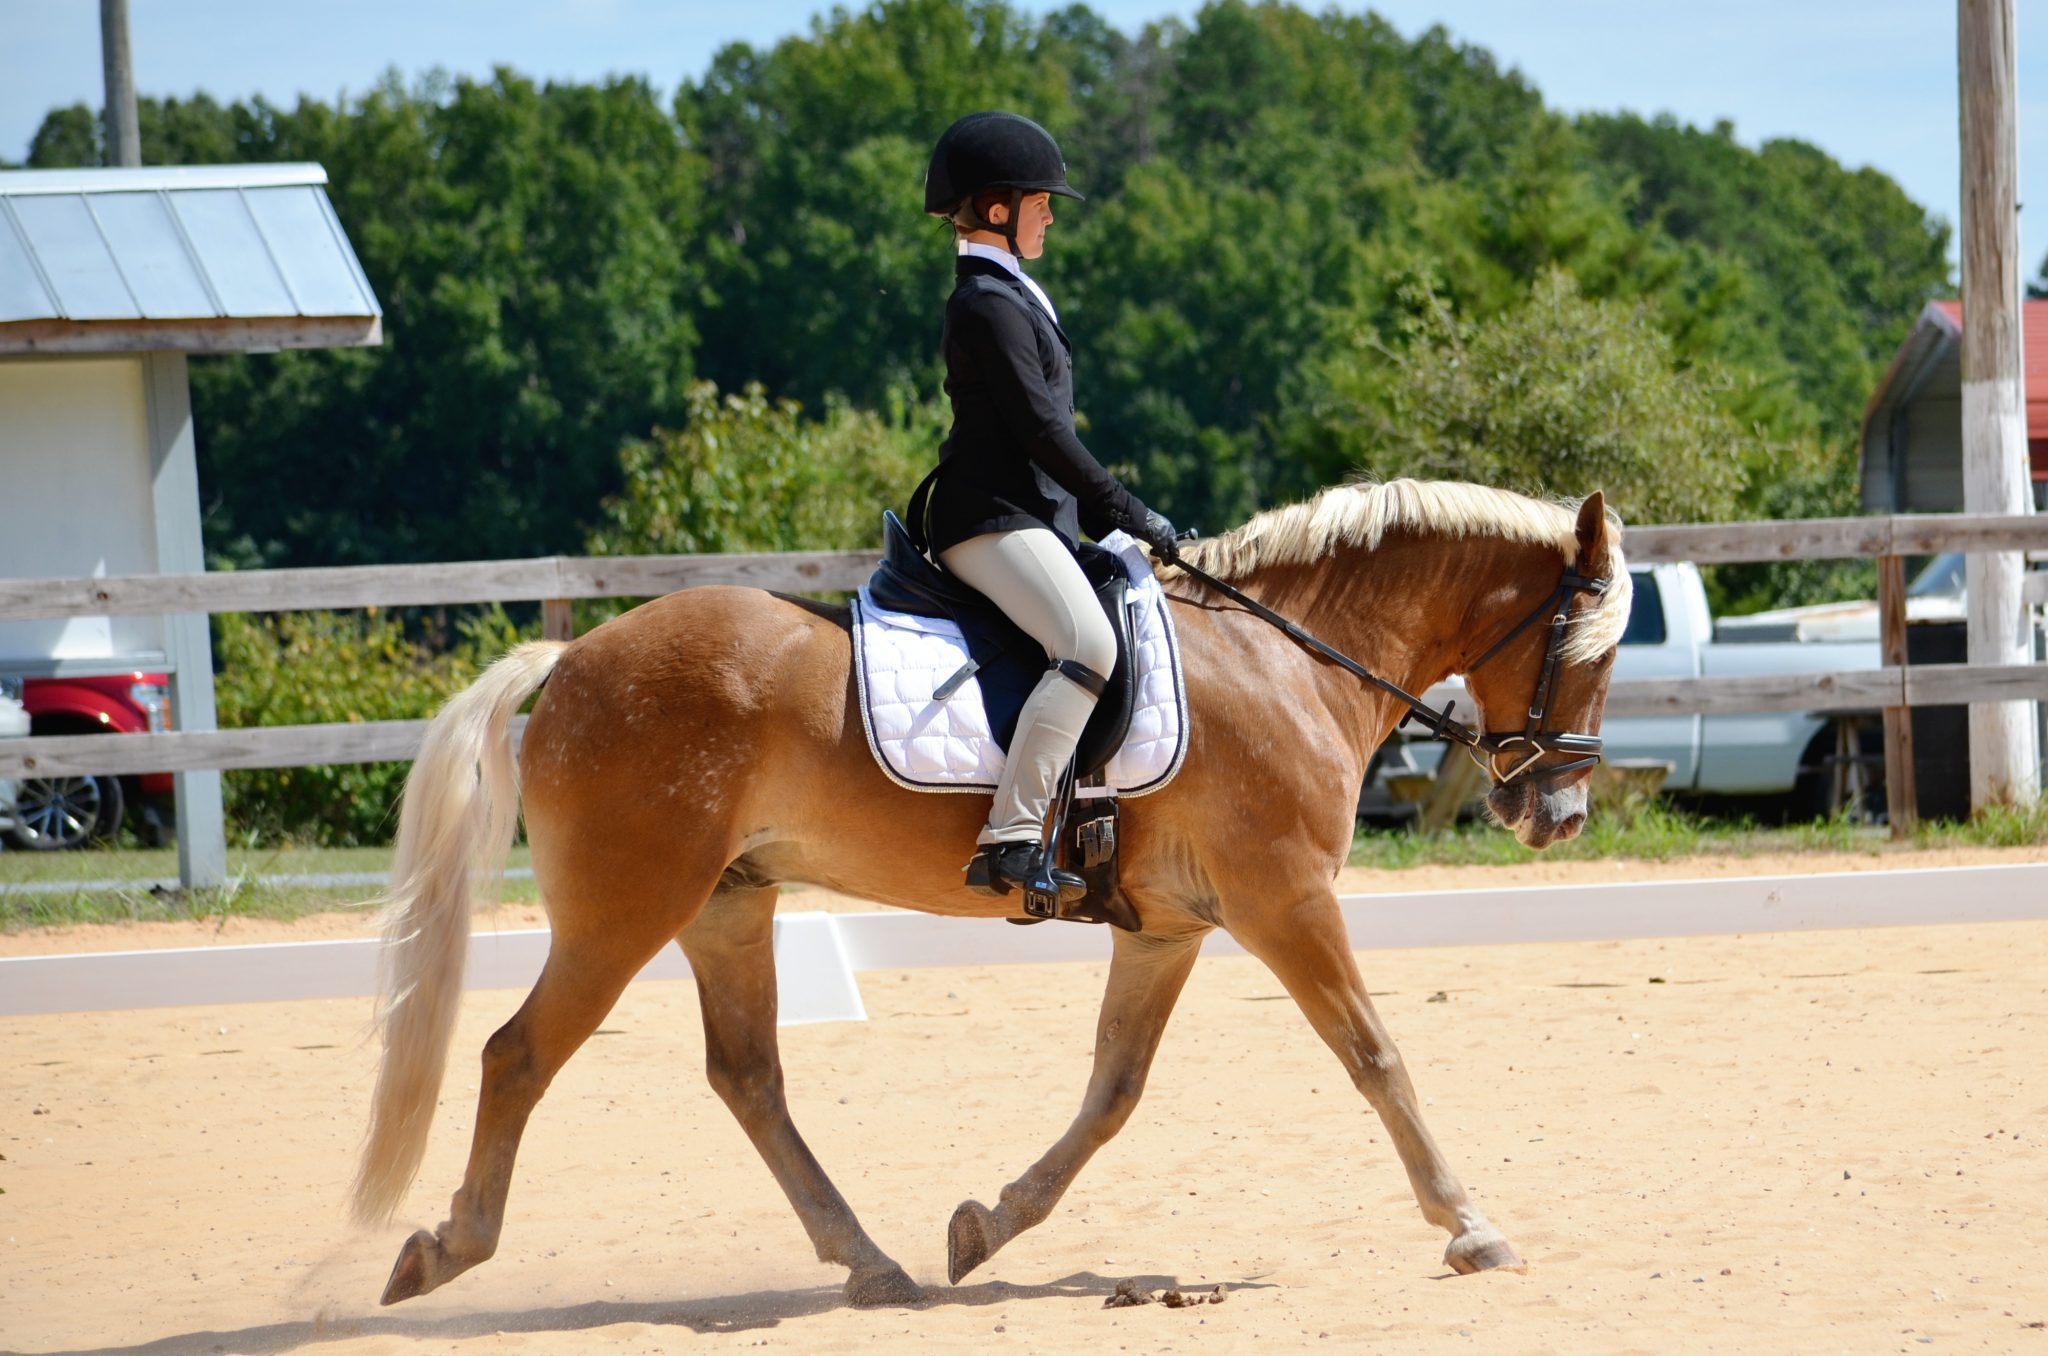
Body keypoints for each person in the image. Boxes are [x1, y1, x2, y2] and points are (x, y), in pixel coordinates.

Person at [917, 110, 1179, 906]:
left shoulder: (1010, 293)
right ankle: (1012, 835)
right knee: (1087, 645)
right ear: (997, 208)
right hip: (988, 519)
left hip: (1027, 518)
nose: (1052, 214)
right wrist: (1131, 511)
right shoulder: (986, 305)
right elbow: (1039, 430)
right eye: (1041, 201)